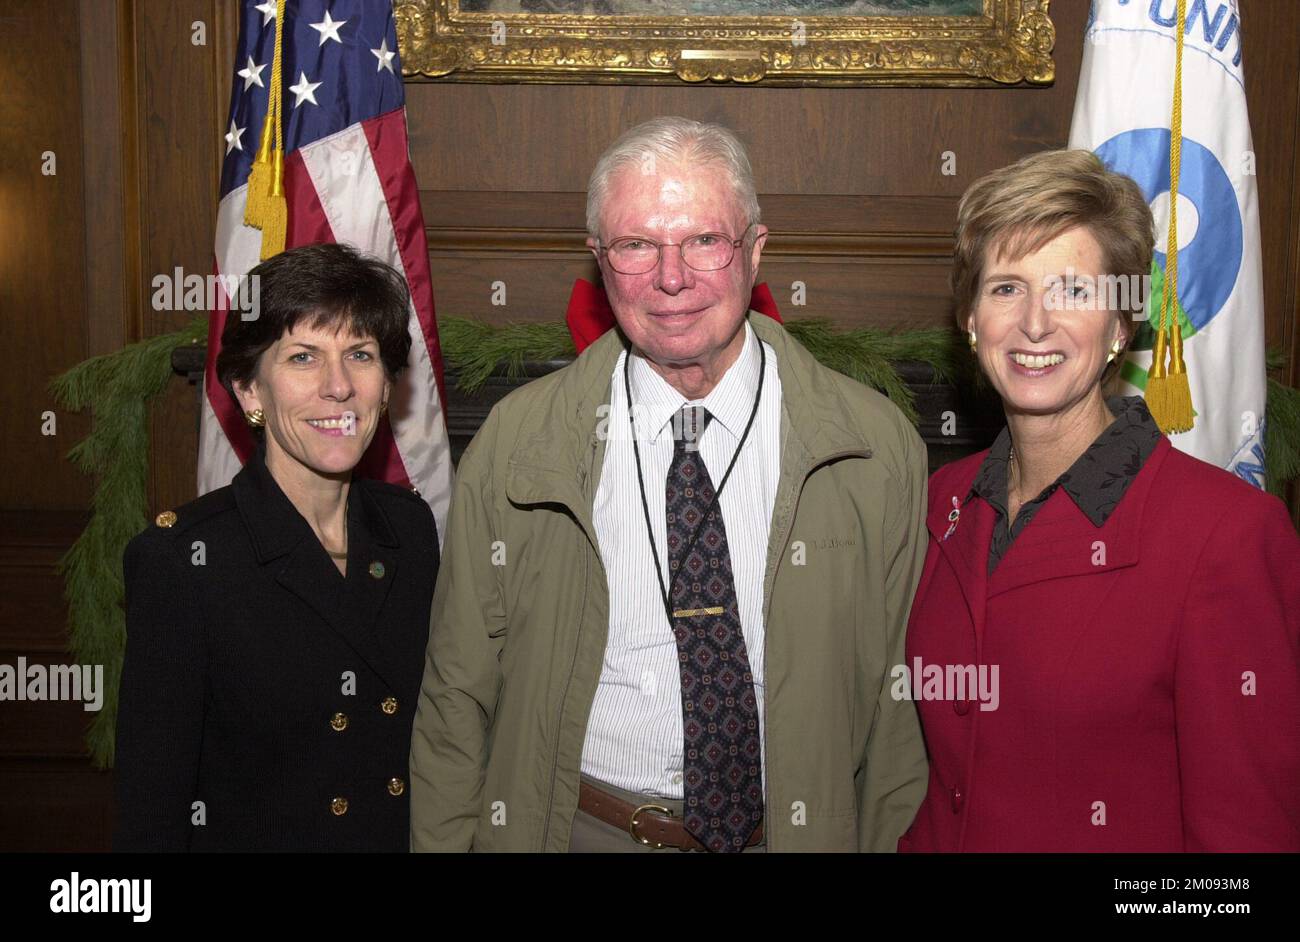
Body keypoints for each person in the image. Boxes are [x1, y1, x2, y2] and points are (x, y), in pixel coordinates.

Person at [410, 116, 930, 853]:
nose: (671, 277)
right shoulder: (517, 444)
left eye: (703, 241)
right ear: (598, 261)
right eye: (635, 245)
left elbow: (898, 718)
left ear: (755, 251)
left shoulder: (874, 450)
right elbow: (457, 693)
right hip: (578, 832)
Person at [898, 149, 1300, 852]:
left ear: (1121, 326)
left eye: (1072, 291)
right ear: (969, 320)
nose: (1034, 324)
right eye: (1005, 289)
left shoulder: (1225, 535)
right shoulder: (943, 505)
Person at [114, 242, 439, 851]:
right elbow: (152, 815)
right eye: (303, 357)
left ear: (386, 386)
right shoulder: (182, 561)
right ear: (250, 392)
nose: (338, 388)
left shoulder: (410, 531)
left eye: (360, 355)